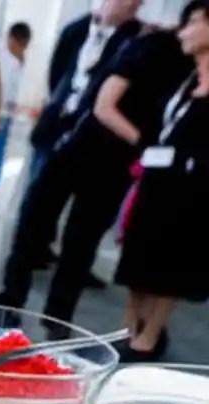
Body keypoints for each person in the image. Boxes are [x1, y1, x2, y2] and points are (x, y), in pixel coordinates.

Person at [0, 0, 154, 329]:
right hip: (59, 140)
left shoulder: (137, 39)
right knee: (32, 221)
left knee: (82, 239)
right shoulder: (76, 29)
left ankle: (58, 315)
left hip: (105, 154)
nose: (126, 5)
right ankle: (9, 300)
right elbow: (59, 75)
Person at [113, 1, 209, 361]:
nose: (183, 31)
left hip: (193, 192)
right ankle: (130, 328)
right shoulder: (187, 79)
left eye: (193, 23)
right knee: (138, 259)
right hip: (156, 183)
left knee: (172, 265)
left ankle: (149, 336)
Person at [19, 0, 144, 269]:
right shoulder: (76, 29)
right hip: (58, 127)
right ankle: (35, 249)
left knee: (88, 216)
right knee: (39, 200)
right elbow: (59, 69)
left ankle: (75, 263)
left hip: (98, 136)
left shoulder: (136, 38)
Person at [0, 21, 32, 187]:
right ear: (12, 40)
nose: (23, 49)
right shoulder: (0, 59)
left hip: (5, 115)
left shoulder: (18, 60)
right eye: (21, 45)